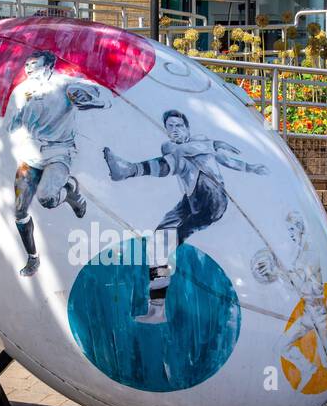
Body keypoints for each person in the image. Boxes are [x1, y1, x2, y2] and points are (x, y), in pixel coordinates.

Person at [103, 109, 267, 323]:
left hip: (212, 198)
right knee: (158, 243)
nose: (174, 130)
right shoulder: (171, 147)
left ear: (188, 127)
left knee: (179, 155)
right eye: (169, 127)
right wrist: (215, 144)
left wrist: (250, 167)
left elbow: (225, 160)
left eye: (179, 126)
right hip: (190, 200)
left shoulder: (199, 142)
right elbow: (186, 151)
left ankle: (130, 170)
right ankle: (157, 309)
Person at [5, 50, 109, 277]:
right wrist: (19, 115)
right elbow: (10, 126)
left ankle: (70, 191)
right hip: (30, 152)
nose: (30, 70)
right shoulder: (22, 91)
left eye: (36, 65)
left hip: (58, 151)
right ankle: (33, 258)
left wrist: (88, 99)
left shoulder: (66, 85)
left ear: (50, 67)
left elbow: (101, 99)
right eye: (28, 65)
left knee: (47, 198)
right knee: (20, 210)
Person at [251, 212, 327, 392]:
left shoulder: (310, 255)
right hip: (307, 314)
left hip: (318, 315)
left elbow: (304, 287)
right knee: (281, 346)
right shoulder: (300, 253)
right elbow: (294, 287)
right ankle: (307, 368)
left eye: (292, 229)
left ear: (301, 229)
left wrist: (278, 272)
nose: (291, 234)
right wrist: (275, 274)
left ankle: (321, 374)